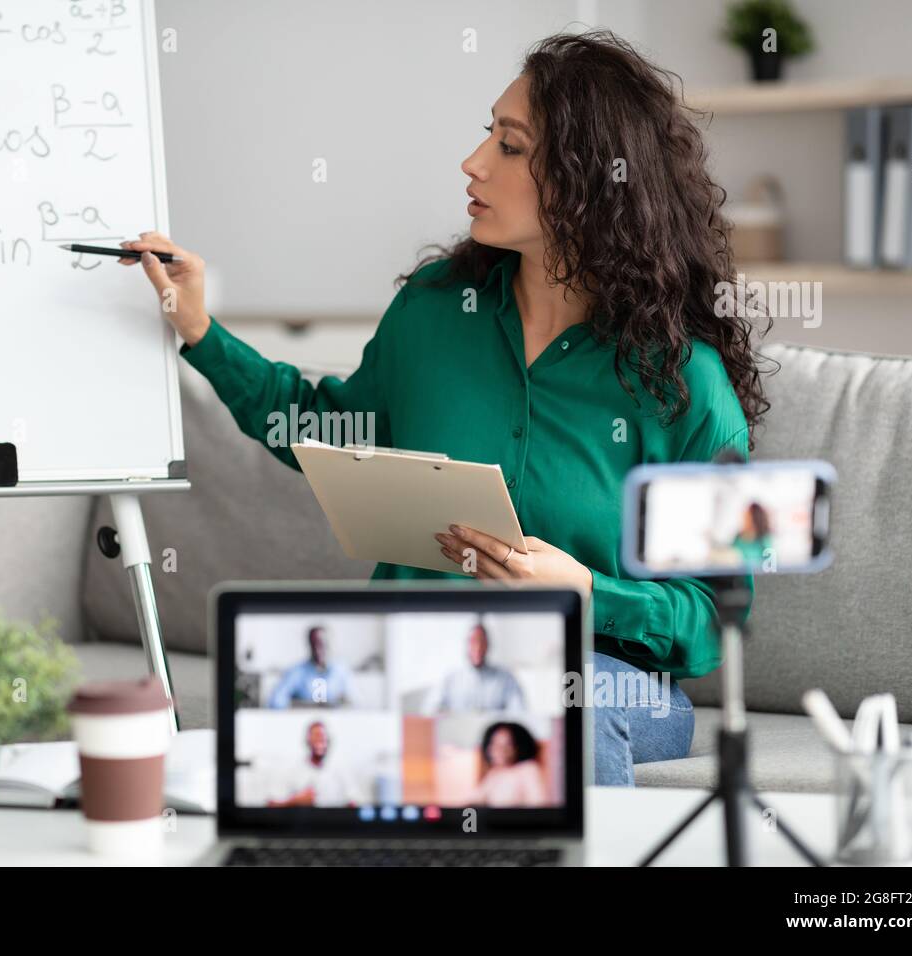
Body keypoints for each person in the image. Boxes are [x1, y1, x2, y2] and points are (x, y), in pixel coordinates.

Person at [117, 32, 764, 786]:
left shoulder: (684, 381)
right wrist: (198, 328)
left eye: (511, 146)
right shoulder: (432, 313)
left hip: (599, 673)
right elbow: (323, 429)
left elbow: (715, 615)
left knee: (555, 701)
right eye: (488, 132)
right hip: (422, 654)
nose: (475, 161)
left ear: (592, 179)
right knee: (278, 690)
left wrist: (587, 592)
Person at [421, 624, 525, 714]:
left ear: (488, 646)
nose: (478, 648)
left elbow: (519, 712)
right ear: (467, 645)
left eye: (482, 642)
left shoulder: (505, 678)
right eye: (473, 642)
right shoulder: (450, 678)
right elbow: (429, 710)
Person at [265, 721, 368, 807]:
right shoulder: (292, 769)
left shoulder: (340, 770)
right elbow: (271, 803)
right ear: (307, 740)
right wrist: (295, 801)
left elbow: (357, 802)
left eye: (323, 737)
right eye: (315, 736)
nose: (320, 741)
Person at [267, 626, 354, 708]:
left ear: (330, 644)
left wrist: (342, 704)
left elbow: (356, 703)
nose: (318, 649)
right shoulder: (296, 671)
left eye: (322, 644)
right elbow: (275, 702)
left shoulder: (341, 670)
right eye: (314, 644)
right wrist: (306, 705)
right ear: (309, 645)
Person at [469, 722, 548, 808]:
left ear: (519, 746)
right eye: (495, 743)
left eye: (507, 744)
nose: (500, 749)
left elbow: (539, 807)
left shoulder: (528, 769)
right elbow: (475, 801)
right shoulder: (494, 773)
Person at [729, 501, 773, 567]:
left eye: (747, 517)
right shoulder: (738, 537)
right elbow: (730, 556)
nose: (744, 519)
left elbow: (771, 564)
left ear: (755, 518)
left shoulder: (764, 540)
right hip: (738, 574)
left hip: (758, 575)